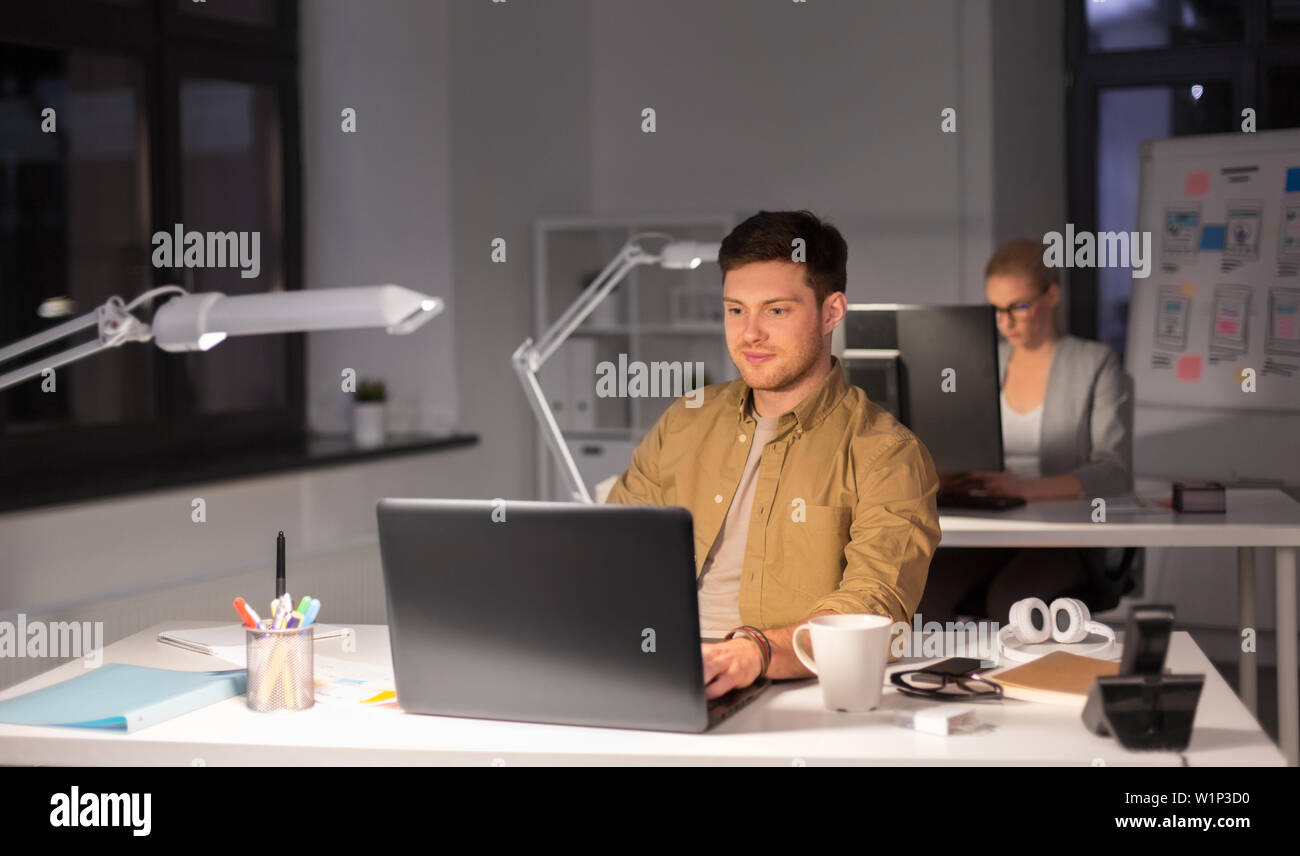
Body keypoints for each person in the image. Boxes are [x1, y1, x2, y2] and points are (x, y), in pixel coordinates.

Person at [604, 210, 941, 700]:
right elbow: (614, 549)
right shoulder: (686, 420)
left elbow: (874, 608)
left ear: (832, 312)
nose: (749, 334)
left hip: (775, 683)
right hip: (651, 667)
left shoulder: (888, 454)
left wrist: (757, 651)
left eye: (776, 310)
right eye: (736, 310)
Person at [917, 238, 1134, 625]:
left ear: (1052, 295)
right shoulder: (983, 359)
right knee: (921, 592)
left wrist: (1024, 489)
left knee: (1012, 601)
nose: (1006, 323)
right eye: (996, 310)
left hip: (1063, 535)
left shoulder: (1095, 363)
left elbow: (1113, 472)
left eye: (1018, 306)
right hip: (990, 525)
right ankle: (951, 682)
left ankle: (1024, 684)